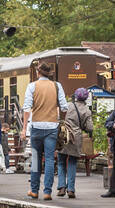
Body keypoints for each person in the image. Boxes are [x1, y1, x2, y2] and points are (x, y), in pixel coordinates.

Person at [22, 61, 68, 200]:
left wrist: (24, 128)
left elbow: (26, 109)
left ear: (38, 72)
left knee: (36, 159)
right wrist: (61, 121)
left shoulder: (32, 86)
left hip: (36, 127)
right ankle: (47, 192)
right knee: (49, 160)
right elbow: (64, 107)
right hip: (52, 127)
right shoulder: (57, 86)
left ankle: (34, 190)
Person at [54, 88, 94, 198]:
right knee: (72, 162)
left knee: (61, 161)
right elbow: (90, 127)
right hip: (76, 137)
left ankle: (61, 187)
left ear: (75, 96)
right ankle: (71, 189)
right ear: (86, 98)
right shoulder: (87, 110)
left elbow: (58, 118)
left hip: (64, 135)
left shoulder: (68, 106)